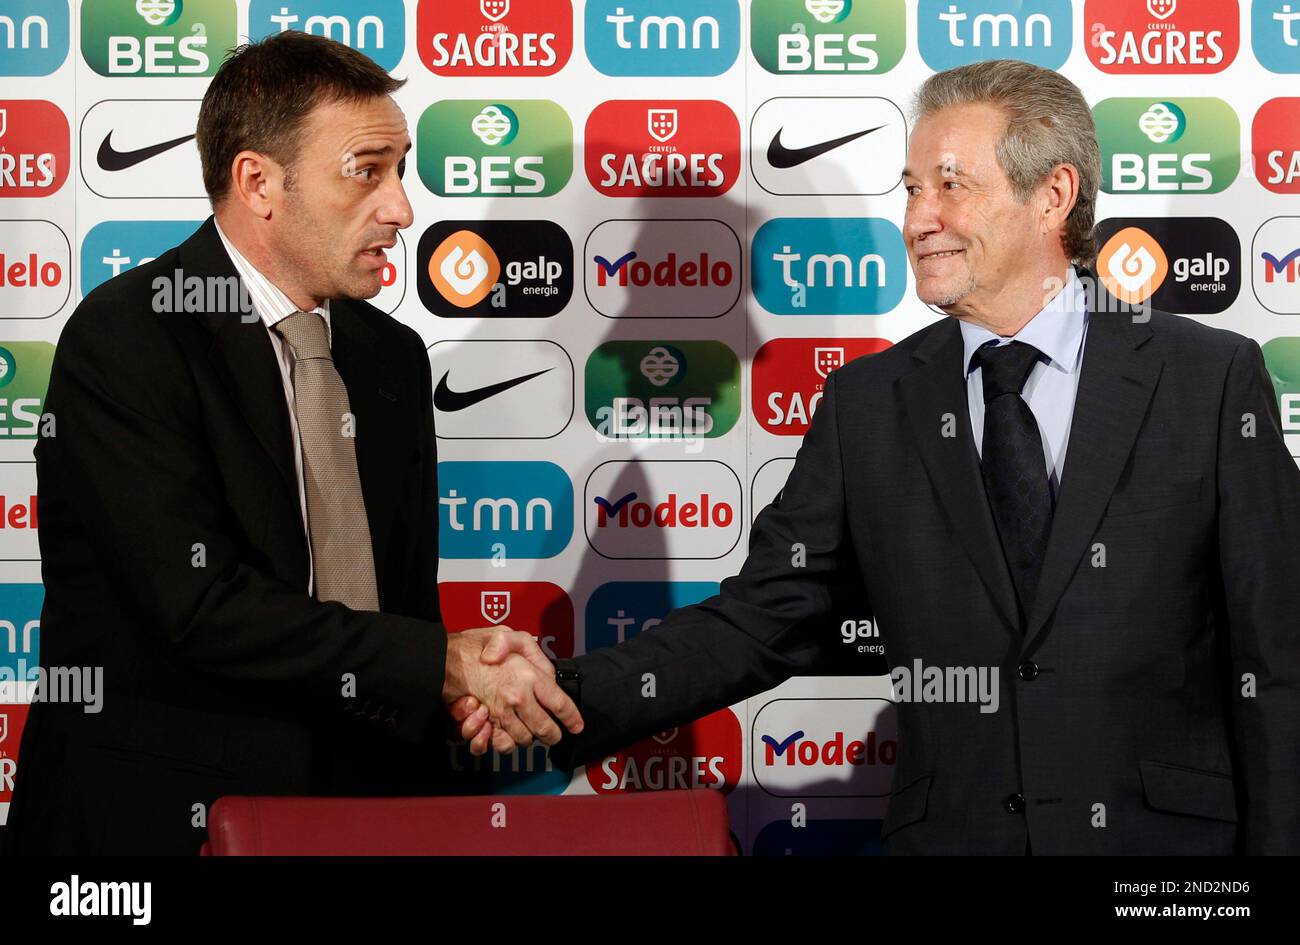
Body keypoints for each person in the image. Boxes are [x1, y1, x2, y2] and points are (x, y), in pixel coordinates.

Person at [457, 59, 1300, 855]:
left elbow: (1280, 657)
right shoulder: (869, 403)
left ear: (1053, 196)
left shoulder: (1208, 379)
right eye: (910, 190)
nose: (916, 219)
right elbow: (761, 620)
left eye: (949, 187)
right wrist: (559, 690)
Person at [3, 31, 577, 856]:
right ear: (258, 183)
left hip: (370, 811)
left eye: (402, 167)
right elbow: (199, 607)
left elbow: (401, 606)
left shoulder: (390, 356)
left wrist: (459, 682)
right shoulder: (128, 337)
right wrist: (436, 664)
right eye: (365, 169)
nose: (402, 207)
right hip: (163, 824)